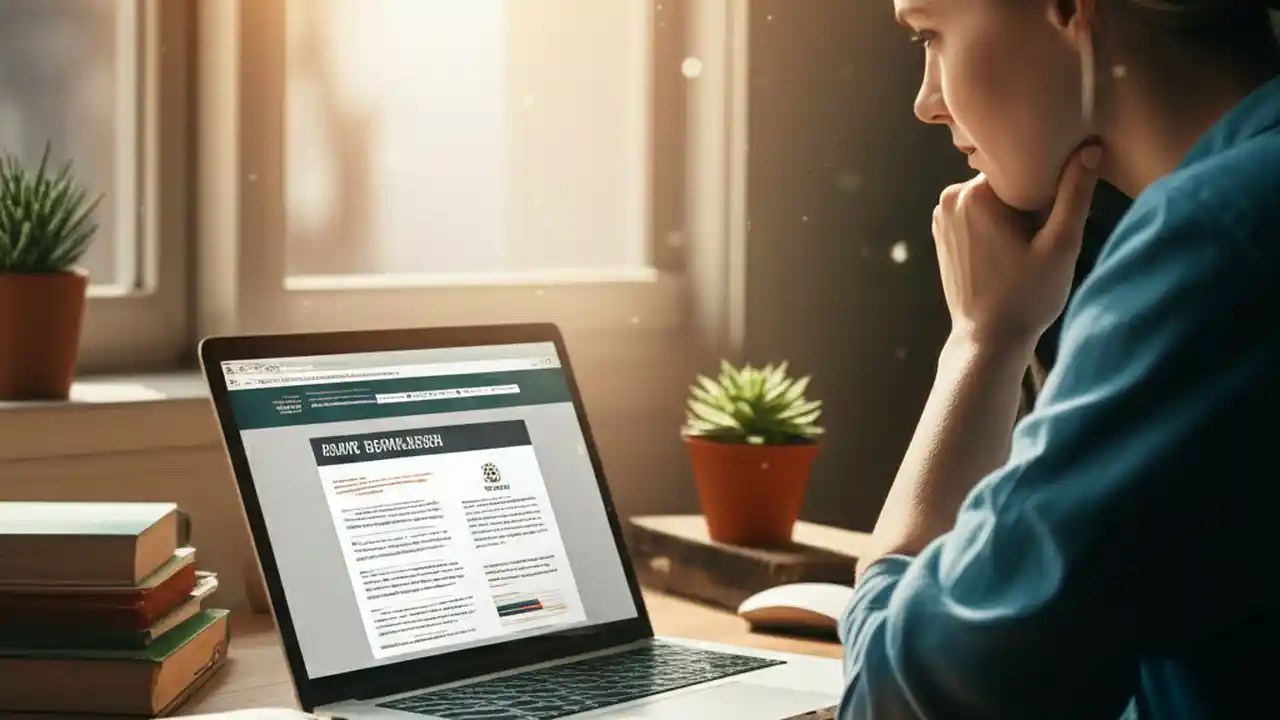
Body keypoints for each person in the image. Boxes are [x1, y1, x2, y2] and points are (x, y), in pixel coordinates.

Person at [840, 0, 1280, 717]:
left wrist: (980, 345)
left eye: (931, 33)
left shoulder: (1220, 245)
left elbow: (896, 703)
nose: (925, 102)